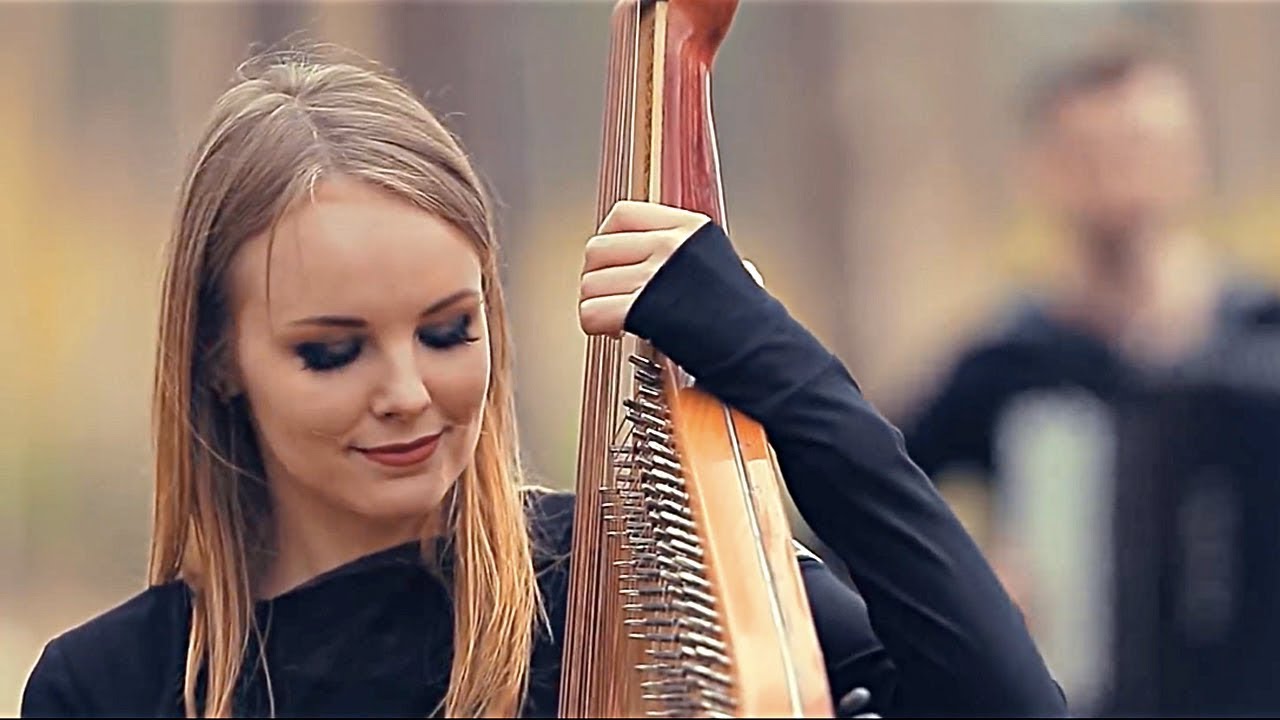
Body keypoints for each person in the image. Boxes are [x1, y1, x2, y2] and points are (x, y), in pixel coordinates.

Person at [19, 45, 1066, 719]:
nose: (408, 391)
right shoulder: (110, 689)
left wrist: (776, 366)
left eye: (447, 331)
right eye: (333, 351)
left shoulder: (636, 589)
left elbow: (1006, 702)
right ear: (217, 357)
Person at [898, 39, 1280, 713]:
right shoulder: (1010, 364)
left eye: (1143, 148)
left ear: (1194, 156)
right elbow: (861, 508)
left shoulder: (1264, 339)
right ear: (1041, 171)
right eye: (1090, 154)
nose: (1121, 178)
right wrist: (966, 592)